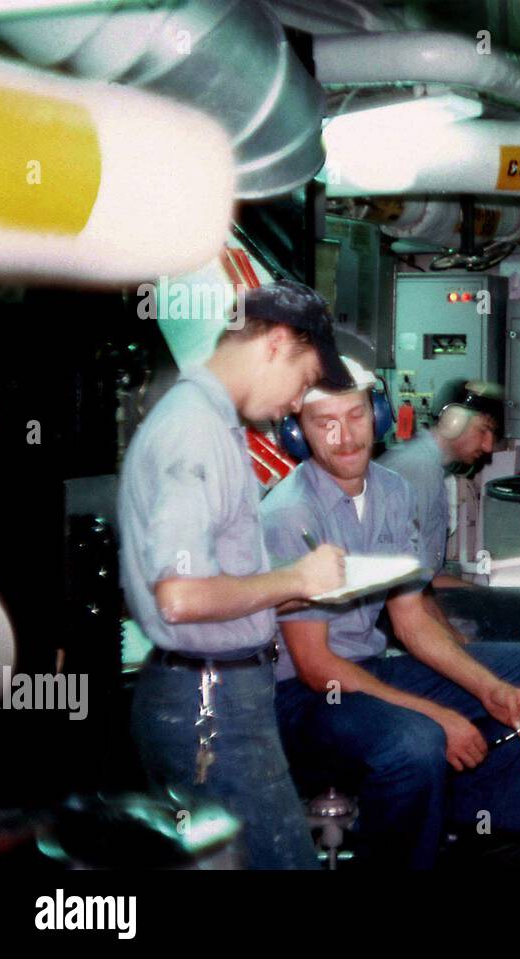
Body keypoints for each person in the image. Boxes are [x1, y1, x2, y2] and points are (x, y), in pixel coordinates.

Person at [260, 358, 520, 869]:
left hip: (369, 668)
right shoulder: (292, 512)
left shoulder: (391, 491)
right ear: (299, 433)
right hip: (305, 699)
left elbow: (411, 619)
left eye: (356, 416)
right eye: (325, 423)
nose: (344, 437)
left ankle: (476, 828)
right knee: (417, 739)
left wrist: (489, 688)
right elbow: (316, 668)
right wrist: (437, 713)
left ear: (379, 415)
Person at [119, 279, 353, 869]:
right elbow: (180, 595)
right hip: (209, 705)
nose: (299, 404)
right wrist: (295, 579)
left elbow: (214, 586)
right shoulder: (195, 430)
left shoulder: (211, 422)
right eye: (304, 381)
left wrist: (296, 592)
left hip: (219, 692)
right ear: (276, 343)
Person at [378, 378, 520, 646]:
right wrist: (453, 636)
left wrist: (488, 594)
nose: (487, 447)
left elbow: (429, 578)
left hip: (407, 597)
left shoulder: (429, 468)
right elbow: (403, 585)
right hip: (385, 613)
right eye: (483, 431)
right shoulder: (417, 470)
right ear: (452, 421)